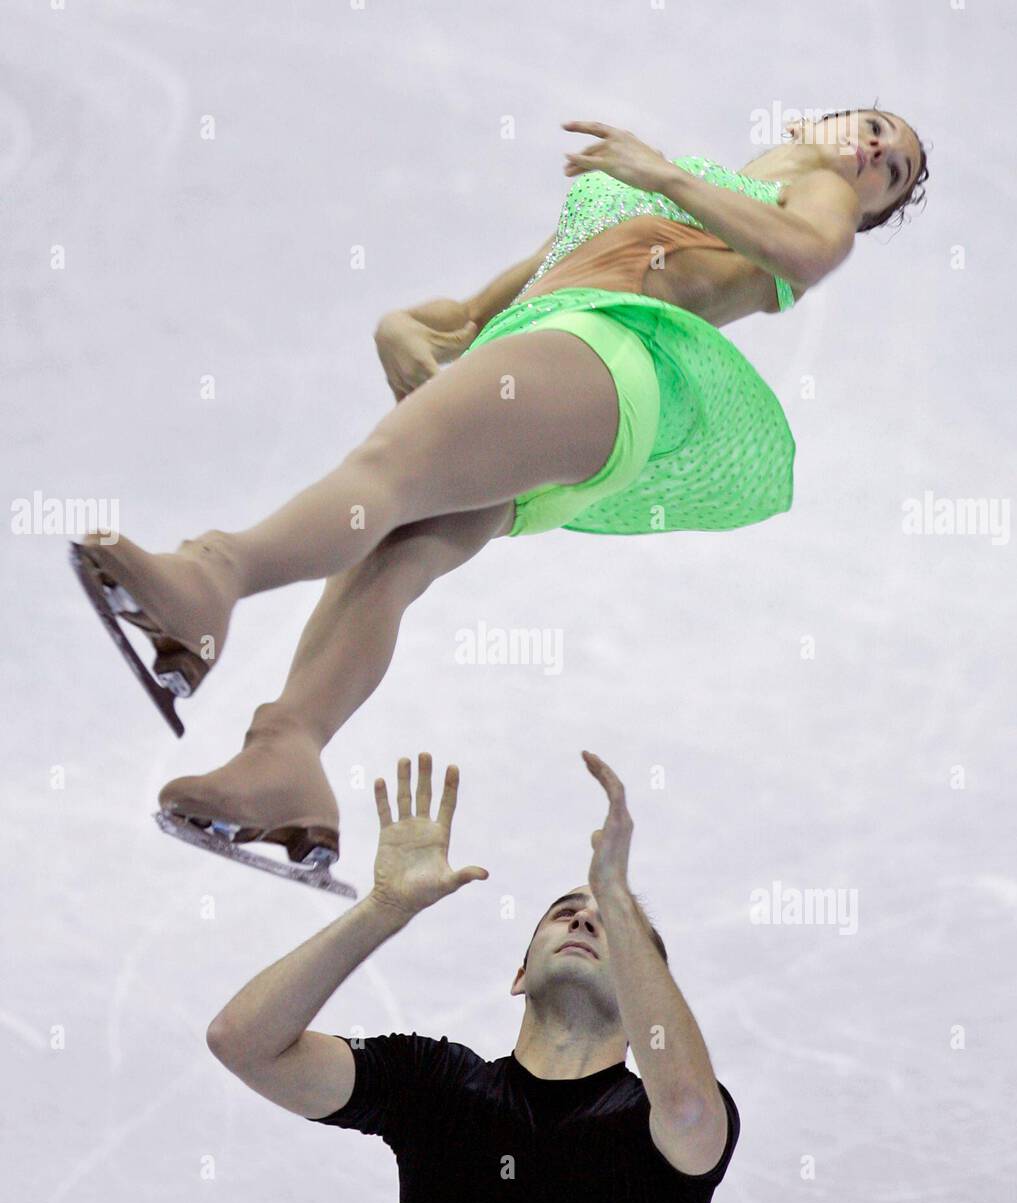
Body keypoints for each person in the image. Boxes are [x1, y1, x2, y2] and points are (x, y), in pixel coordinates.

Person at [71, 108, 929, 880]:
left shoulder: (805, 195)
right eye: (872, 127)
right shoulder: (663, 188)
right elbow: (482, 309)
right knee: (386, 562)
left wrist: (662, 172)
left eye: (891, 169)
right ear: (810, 120)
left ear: (868, 208)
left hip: (603, 356)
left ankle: (207, 580)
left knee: (381, 476)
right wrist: (403, 326)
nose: (874, 151)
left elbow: (808, 254)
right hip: (562, 379)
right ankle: (282, 761)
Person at [206, 750, 739, 1203]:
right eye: (565, 912)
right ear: (519, 976)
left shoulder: (657, 1121)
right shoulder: (436, 1084)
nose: (584, 916)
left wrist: (620, 899)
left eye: (612, 928)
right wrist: (385, 907)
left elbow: (688, 1107)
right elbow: (244, 1043)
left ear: (640, 1001)